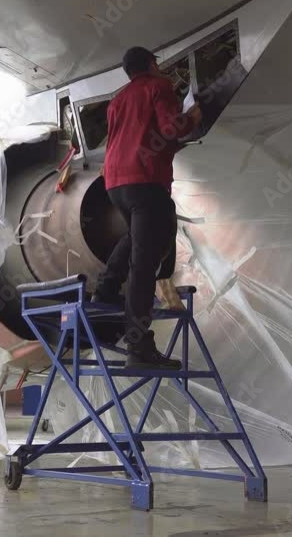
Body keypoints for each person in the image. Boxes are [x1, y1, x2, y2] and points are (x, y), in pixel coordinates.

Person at [93, 46, 202, 370]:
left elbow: (135, 137)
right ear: (153, 65)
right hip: (144, 179)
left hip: (116, 182)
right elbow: (171, 127)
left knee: (145, 233)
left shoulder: (117, 100)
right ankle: (139, 346)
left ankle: (106, 290)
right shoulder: (158, 86)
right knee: (143, 264)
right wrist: (192, 117)